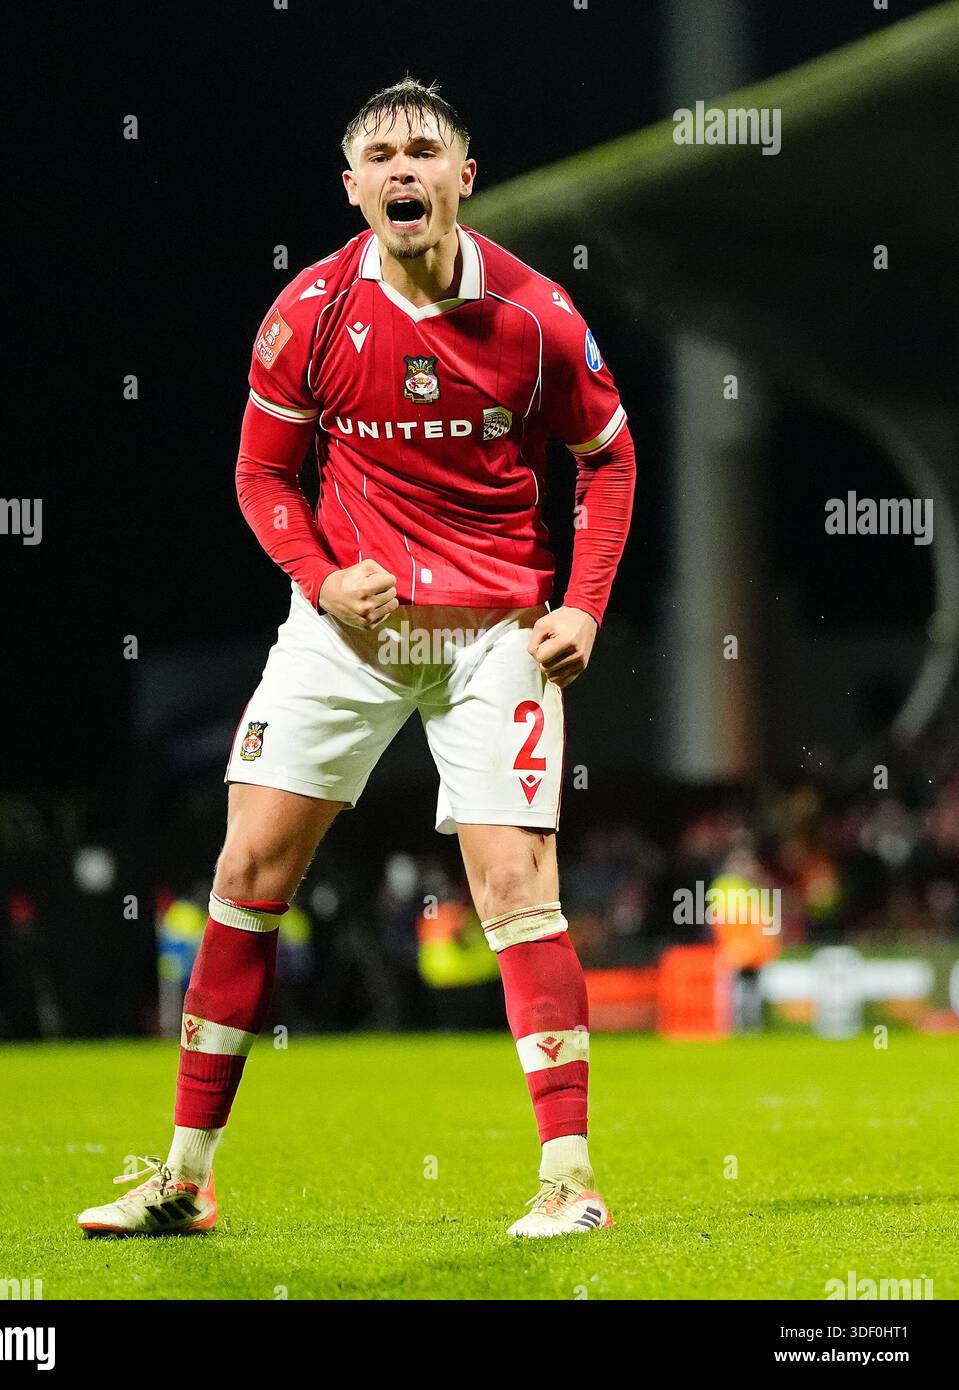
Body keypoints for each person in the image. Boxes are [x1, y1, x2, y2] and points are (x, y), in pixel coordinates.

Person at [77, 77, 635, 1239]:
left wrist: (582, 606)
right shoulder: (309, 314)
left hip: (494, 632)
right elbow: (260, 478)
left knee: (512, 888)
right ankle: (185, 1176)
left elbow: (608, 460)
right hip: (348, 630)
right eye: (378, 152)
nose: (401, 168)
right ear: (352, 186)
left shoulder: (536, 317)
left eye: (422, 149)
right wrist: (323, 577)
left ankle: (569, 1180)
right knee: (246, 870)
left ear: (461, 176)